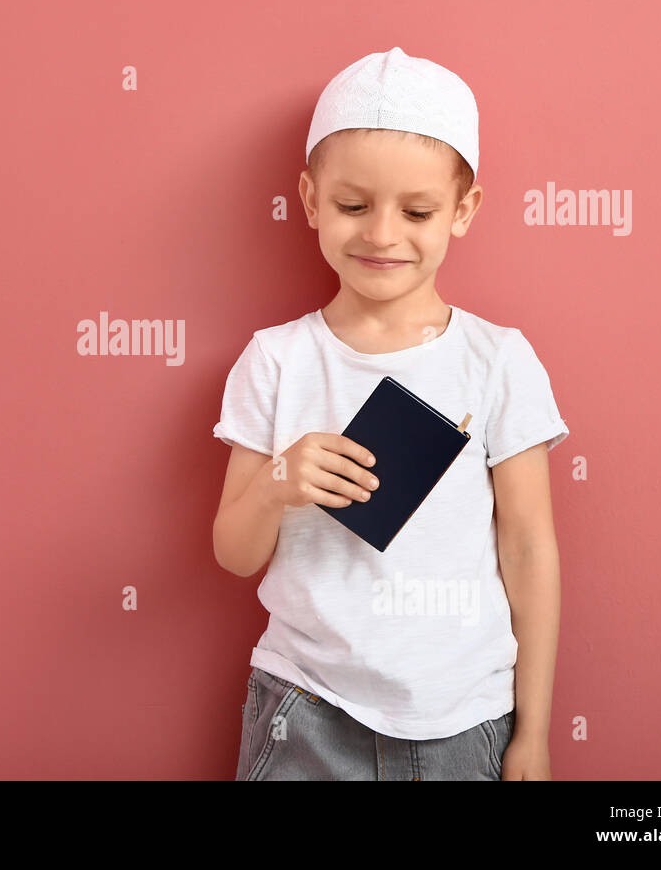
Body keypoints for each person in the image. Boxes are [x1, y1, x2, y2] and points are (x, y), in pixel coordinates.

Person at [213, 46, 569, 780]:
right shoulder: (276, 360)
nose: (380, 235)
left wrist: (533, 730)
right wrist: (280, 481)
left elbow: (530, 551)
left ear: (462, 212)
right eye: (352, 206)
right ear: (310, 200)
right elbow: (233, 553)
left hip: (462, 718)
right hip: (301, 706)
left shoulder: (497, 361)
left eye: (416, 212)